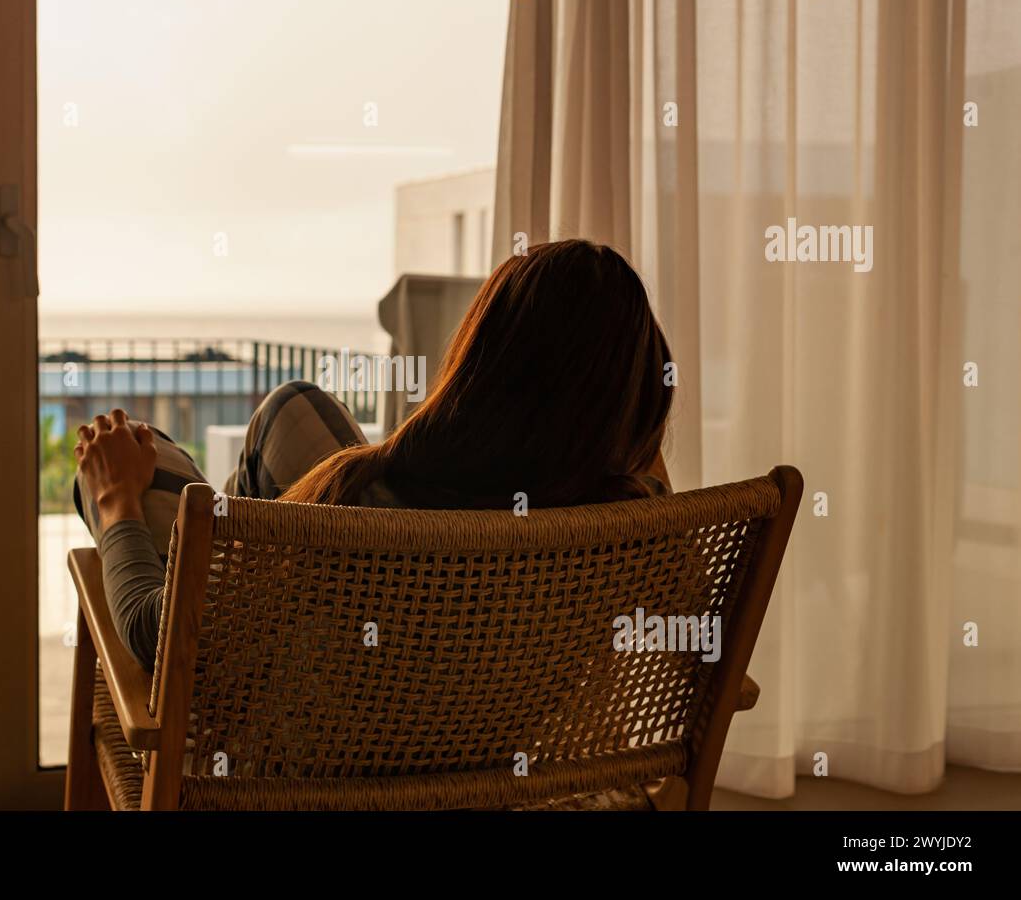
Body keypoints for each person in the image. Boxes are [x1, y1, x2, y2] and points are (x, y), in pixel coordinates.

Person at [74, 239, 674, 670]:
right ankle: (226, 540)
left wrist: (115, 500)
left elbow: (158, 636)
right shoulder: (639, 526)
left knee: (123, 451)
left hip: (317, 758)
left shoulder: (361, 516)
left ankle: (212, 543)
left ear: (479, 364)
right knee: (295, 405)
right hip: (490, 745)